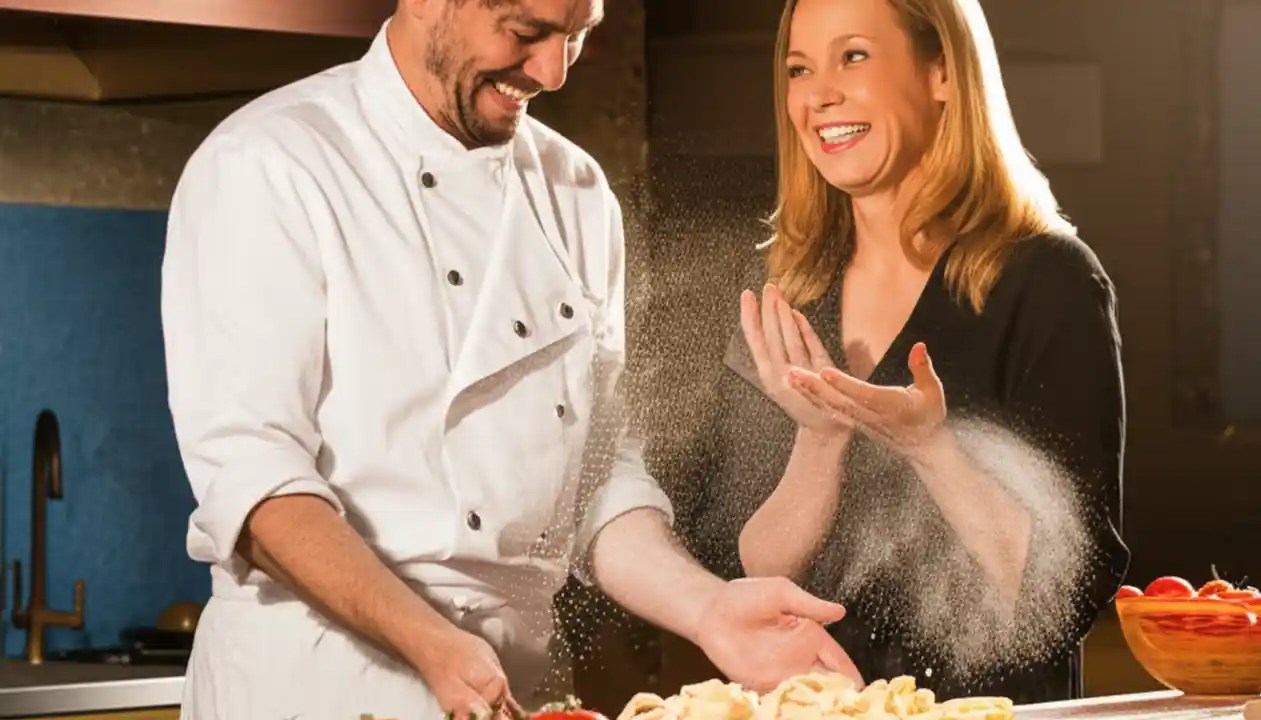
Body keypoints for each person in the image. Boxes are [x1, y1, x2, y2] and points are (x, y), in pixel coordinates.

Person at [159, 1, 862, 718]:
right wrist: (432, 643)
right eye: (526, 34)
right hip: (319, 687)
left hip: (518, 690)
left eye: (578, 38)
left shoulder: (576, 193)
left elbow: (595, 479)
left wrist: (709, 609)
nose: (553, 72)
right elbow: (255, 484)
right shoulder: (272, 166)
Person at [661, 0, 1130, 705]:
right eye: (798, 68)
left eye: (853, 56)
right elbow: (747, 569)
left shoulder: (1049, 282)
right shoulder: (787, 290)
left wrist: (932, 448)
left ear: (941, 71)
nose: (818, 95)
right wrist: (820, 441)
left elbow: (1061, 592)